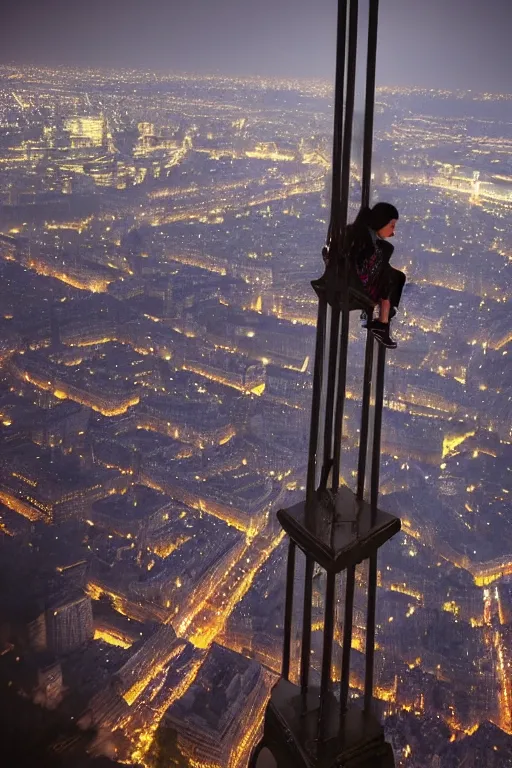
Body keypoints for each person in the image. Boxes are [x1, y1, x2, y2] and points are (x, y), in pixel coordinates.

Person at [344, 202, 406, 349]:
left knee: (397, 277)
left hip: (358, 280)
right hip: (359, 285)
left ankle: (385, 318)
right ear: (381, 221)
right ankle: (383, 321)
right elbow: (360, 266)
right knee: (392, 277)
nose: (393, 231)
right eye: (391, 225)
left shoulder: (365, 234)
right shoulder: (367, 240)